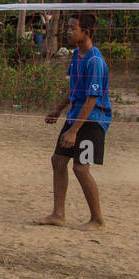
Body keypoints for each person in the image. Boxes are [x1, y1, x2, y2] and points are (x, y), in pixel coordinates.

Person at [33, 12, 111, 229]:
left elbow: (91, 100)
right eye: (67, 27)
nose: (67, 31)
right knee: (58, 161)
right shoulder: (77, 55)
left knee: (80, 168)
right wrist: (57, 110)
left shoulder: (95, 61)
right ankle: (58, 215)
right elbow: (75, 90)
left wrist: (74, 131)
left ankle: (97, 220)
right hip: (76, 116)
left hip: (93, 120)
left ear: (85, 32)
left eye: (71, 28)